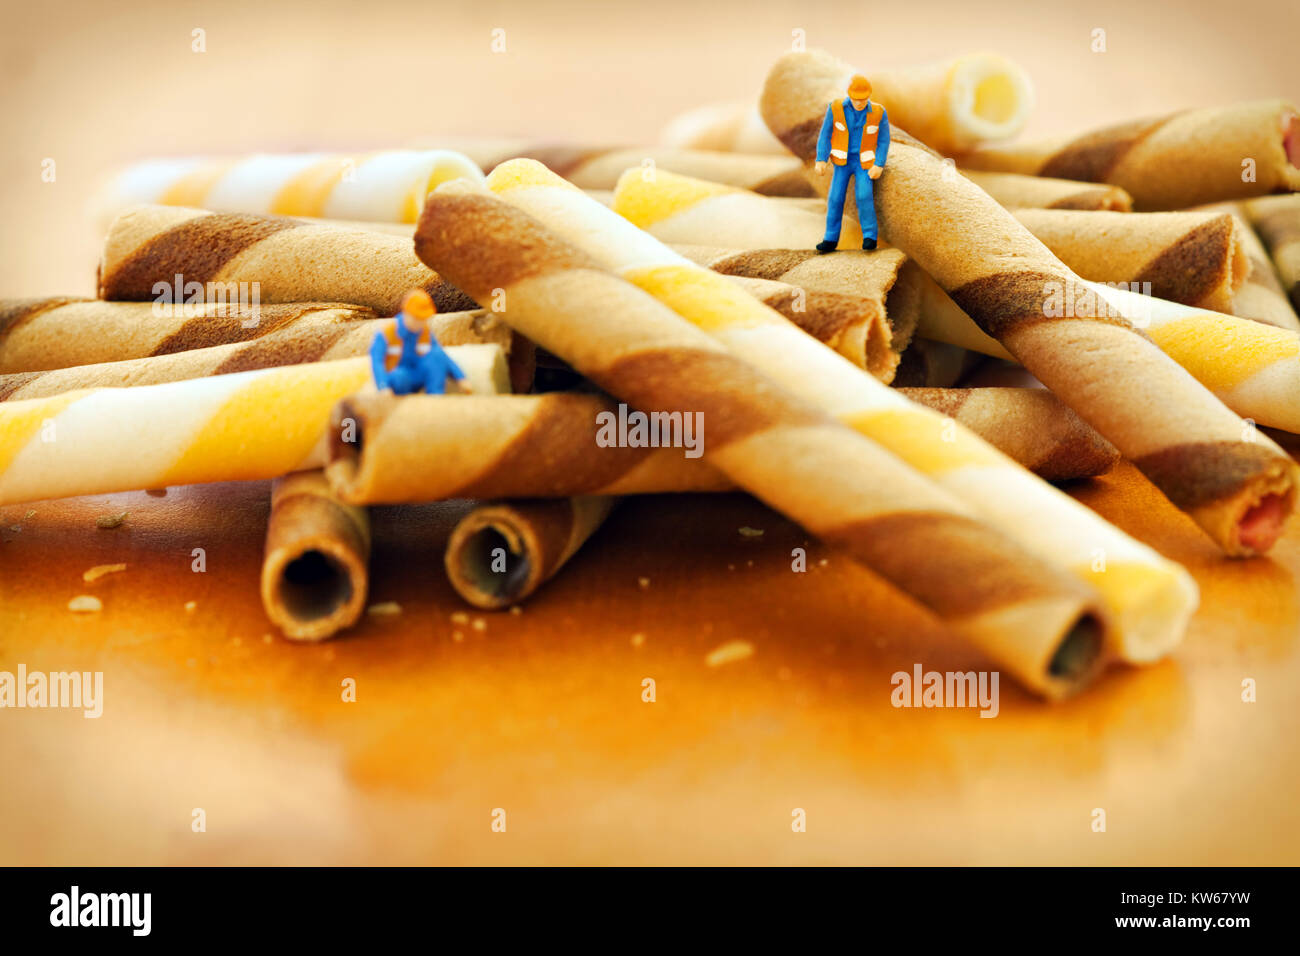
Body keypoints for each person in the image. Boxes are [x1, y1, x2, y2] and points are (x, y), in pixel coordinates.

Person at [813, 74, 891, 252]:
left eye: (863, 99)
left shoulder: (878, 112)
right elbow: (825, 135)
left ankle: (870, 236)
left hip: (864, 162)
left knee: (864, 196)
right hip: (842, 162)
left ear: (869, 96)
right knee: (835, 198)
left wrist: (879, 164)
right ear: (849, 95)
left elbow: (884, 140)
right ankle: (830, 239)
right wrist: (821, 159)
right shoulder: (836, 108)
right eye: (856, 99)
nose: (859, 103)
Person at [369, 289, 471, 395]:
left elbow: (442, 355)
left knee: (436, 354)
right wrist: (383, 386)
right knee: (400, 376)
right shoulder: (388, 333)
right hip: (398, 378)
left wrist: (460, 378)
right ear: (406, 313)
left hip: (417, 374)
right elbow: (377, 361)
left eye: (423, 319)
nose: (420, 323)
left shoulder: (424, 332)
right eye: (417, 318)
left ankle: (435, 396)